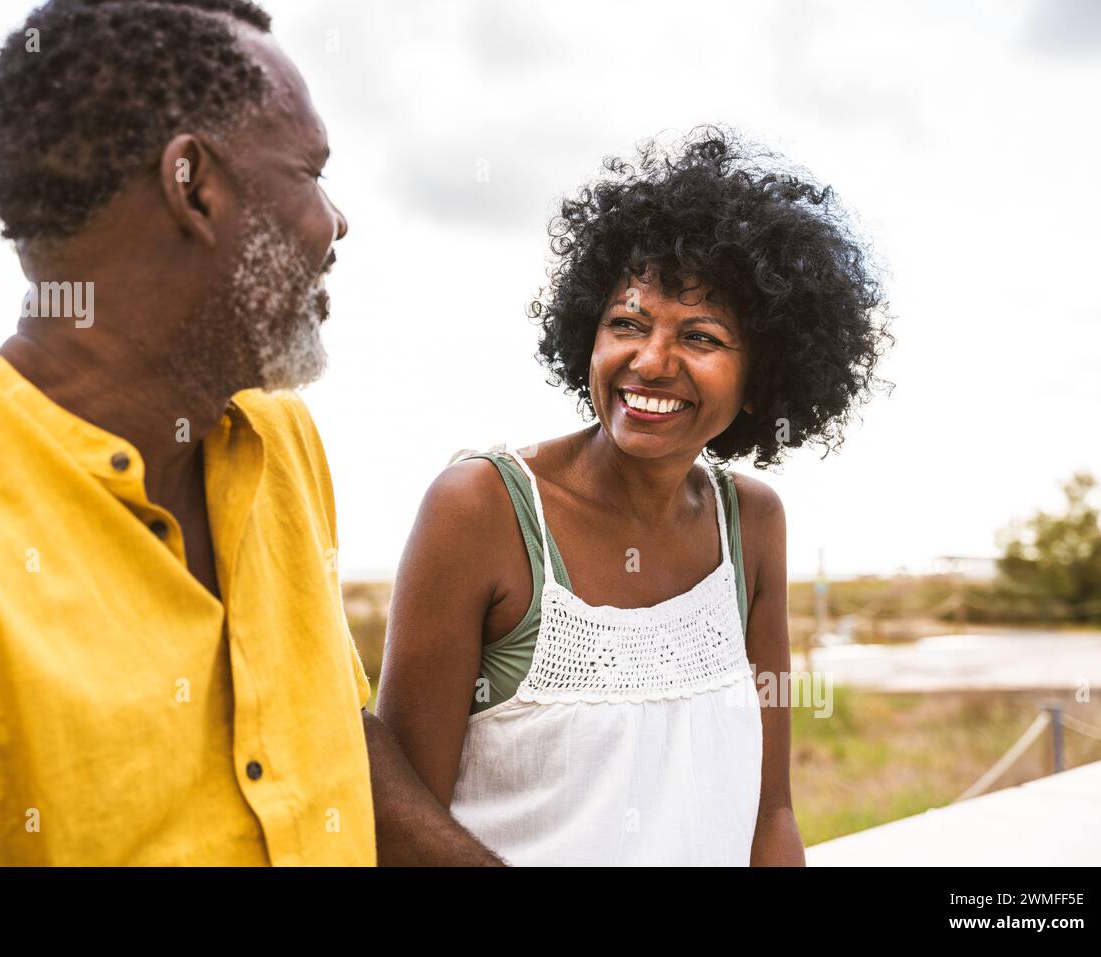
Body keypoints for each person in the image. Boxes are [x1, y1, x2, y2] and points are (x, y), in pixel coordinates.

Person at [0, 0, 500, 867]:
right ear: (194, 185)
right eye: (311, 174)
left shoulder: (278, 438)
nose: (337, 225)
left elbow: (329, 740)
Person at [376, 127, 892, 866]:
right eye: (627, 323)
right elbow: (400, 821)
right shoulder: (480, 508)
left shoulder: (752, 521)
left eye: (702, 336)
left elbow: (770, 809)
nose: (650, 362)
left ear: (763, 377)